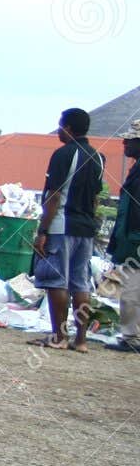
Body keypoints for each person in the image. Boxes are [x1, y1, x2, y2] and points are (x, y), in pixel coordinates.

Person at [32, 106, 104, 352]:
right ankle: (81, 341)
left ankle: (59, 337)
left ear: (69, 128)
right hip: (86, 229)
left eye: (61, 125)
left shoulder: (63, 154)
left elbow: (54, 195)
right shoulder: (98, 158)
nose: (59, 131)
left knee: (56, 282)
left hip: (62, 226)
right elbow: (95, 198)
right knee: (81, 283)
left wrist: (43, 231)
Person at [106, 119, 140, 354]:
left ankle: (131, 338)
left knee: (130, 295)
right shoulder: (135, 170)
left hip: (135, 244)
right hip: (131, 241)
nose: (124, 143)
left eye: (129, 140)